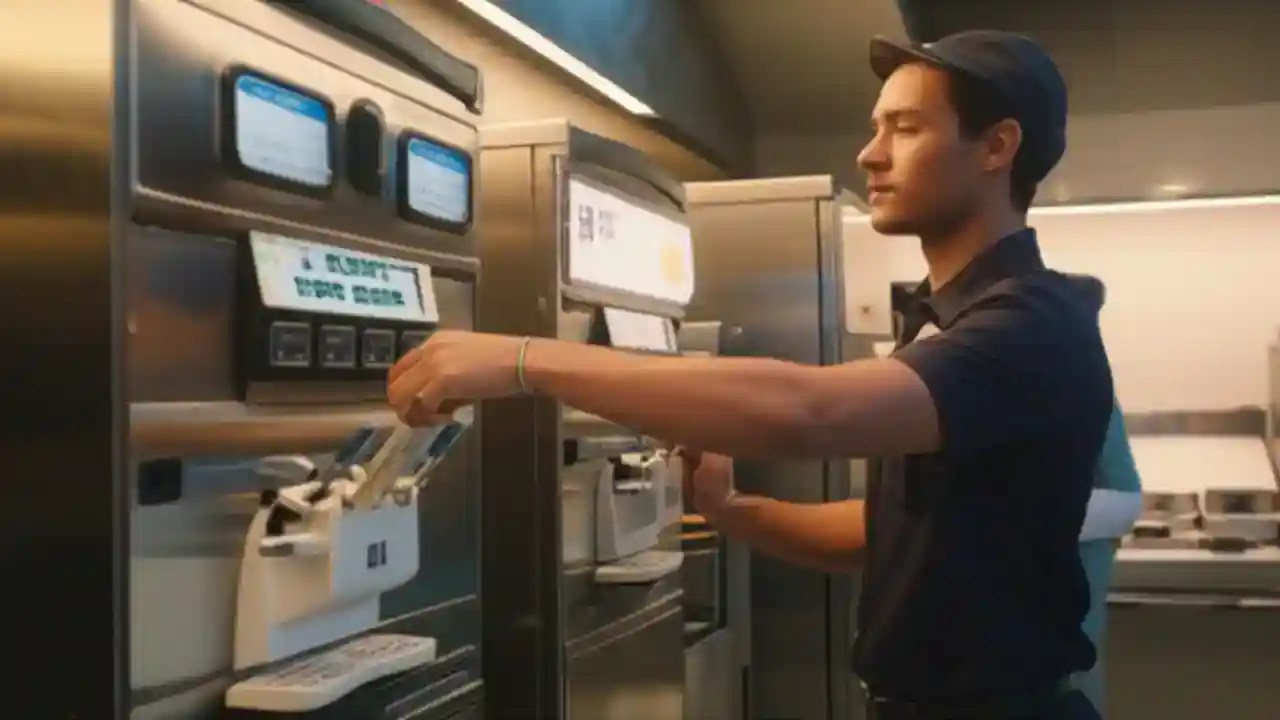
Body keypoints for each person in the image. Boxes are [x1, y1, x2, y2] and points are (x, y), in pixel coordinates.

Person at [388, 29, 1112, 719]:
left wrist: (522, 360)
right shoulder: (943, 317)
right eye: (876, 128)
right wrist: (732, 511)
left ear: (997, 146)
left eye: (906, 128)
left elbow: (811, 411)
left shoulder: (1032, 322)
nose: (870, 154)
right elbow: (893, 534)